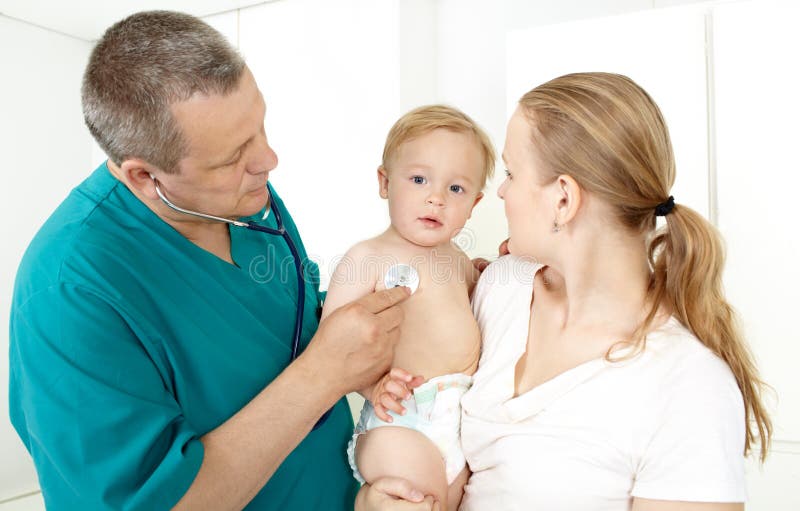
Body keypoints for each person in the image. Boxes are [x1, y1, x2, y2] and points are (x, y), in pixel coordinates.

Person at [8, 10, 417, 511]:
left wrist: (425, 291)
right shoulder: (70, 289)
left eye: (260, 126)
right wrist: (326, 373)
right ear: (143, 176)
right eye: (232, 156)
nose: (268, 159)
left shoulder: (244, 197)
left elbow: (280, 315)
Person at [359, 72, 772, 510]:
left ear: (563, 200)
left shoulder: (688, 385)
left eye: (512, 173)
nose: (500, 192)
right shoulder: (502, 287)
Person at [320, 105, 494, 510]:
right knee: (418, 501)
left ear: (474, 203)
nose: (436, 198)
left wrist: (487, 274)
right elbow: (331, 347)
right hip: (400, 420)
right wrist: (372, 386)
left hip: (457, 424)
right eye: (418, 179)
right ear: (384, 182)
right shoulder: (368, 257)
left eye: (456, 189)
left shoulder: (459, 261)